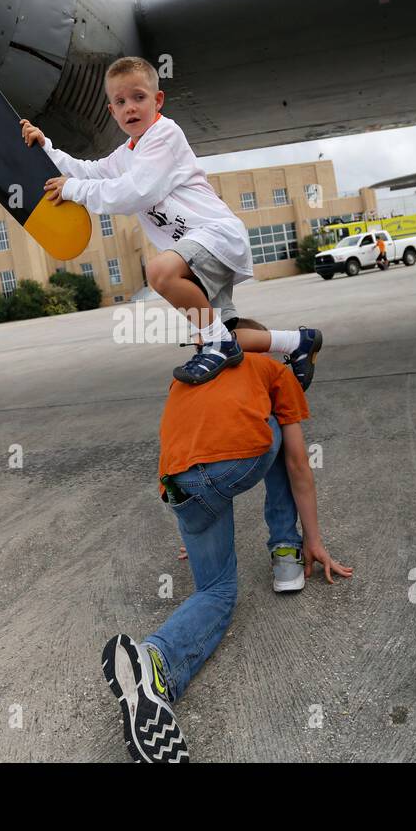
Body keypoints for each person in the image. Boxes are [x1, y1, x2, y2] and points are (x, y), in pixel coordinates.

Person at [100, 319, 353, 763]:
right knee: (276, 420)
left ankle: (153, 664)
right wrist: (315, 538)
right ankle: (288, 554)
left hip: (177, 488)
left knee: (215, 591)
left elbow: (189, 447)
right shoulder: (272, 371)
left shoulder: (190, 375)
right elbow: (298, 467)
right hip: (234, 464)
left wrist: (194, 524)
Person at [21, 56, 323, 389]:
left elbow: (135, 192)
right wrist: (46, 149)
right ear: (112, 111)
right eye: (120, 102)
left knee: (160, 272)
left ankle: (218, 344)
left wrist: (74, 190)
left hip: (216, 236)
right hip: (198, 249)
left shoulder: (164, 134)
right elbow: (88, 171)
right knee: (216, 333)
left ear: (158, 100)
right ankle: (297, 342)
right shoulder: (126, 153)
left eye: (139, 97)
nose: (130, 108)